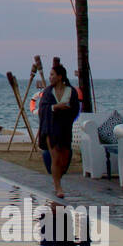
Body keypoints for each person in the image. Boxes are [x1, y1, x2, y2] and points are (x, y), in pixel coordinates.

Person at [37, 62, 81, 199]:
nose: (50, 77)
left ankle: (57, 179)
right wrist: (55, 107)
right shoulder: (48, 92)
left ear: (60, 76)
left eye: (52, 75)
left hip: (65, 128)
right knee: (55, 157)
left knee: (63, 159)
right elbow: (43, 109)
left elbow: (75, 109)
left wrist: (65, 111)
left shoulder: (71, 91)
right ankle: (58, 187)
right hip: (50, 128)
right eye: (49, 75)